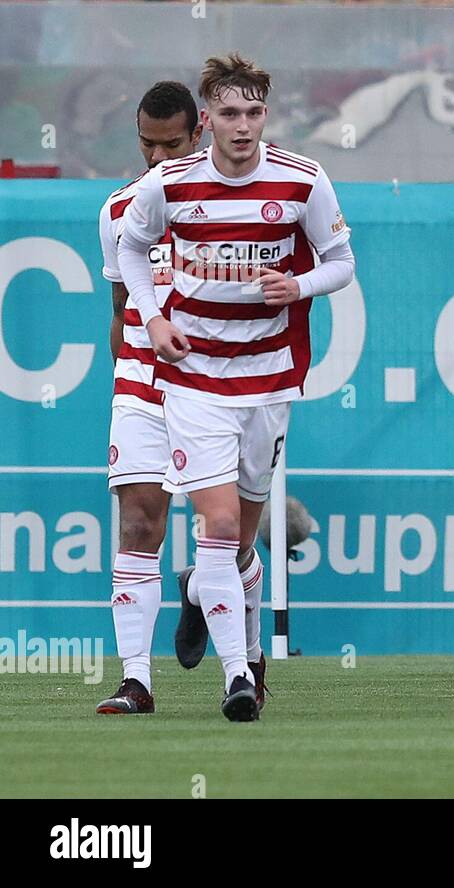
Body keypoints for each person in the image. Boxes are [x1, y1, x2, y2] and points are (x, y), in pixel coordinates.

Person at [117, 53, 356, 721]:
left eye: (252, 111)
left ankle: (207, 605)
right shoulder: (169, 184)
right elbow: (133, 251)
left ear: (264, 115)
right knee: (217, 525)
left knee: (242, 542)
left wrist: (300, 284)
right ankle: (238, 678)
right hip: (192, 378)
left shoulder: (304, 181)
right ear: (208, 120)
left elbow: (341, 261)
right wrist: (156, 316)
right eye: (229, 112)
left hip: (268, 380)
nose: (242, 124)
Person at [95, 81, 204, 716]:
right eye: (147, 145)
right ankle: (137, 680)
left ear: (200, 135)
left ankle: (200, 592)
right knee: (139, 523)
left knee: (231, 542)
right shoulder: (119, 210)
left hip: (218, 386)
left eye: (172, 144)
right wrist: (127, 389)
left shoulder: (231, 206)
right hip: (142, 384)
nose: (159, 159)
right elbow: (120, 308)